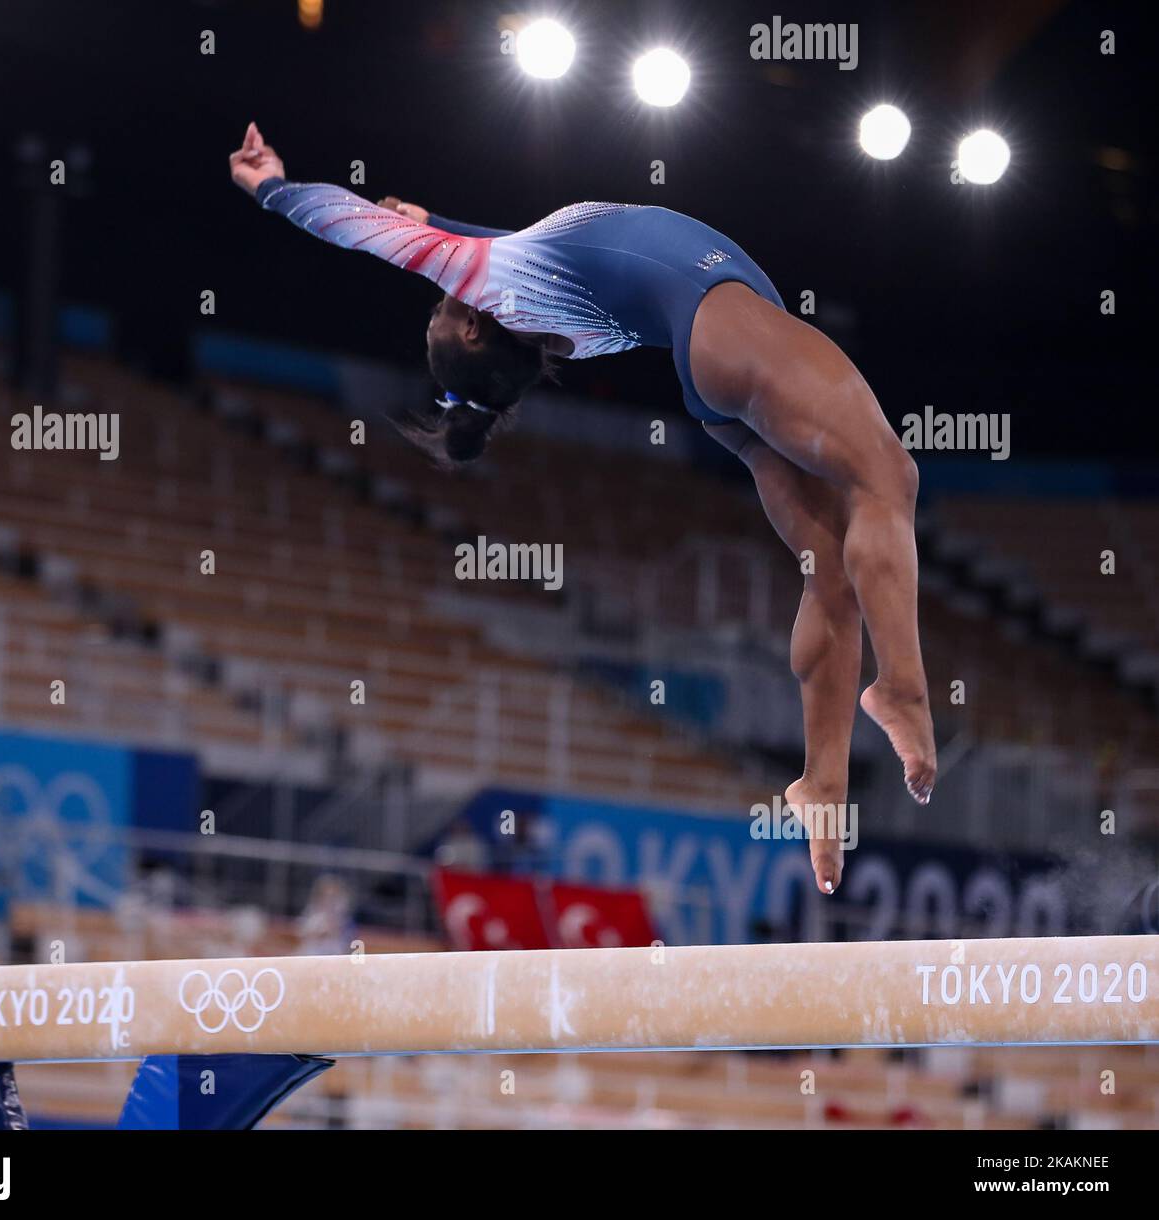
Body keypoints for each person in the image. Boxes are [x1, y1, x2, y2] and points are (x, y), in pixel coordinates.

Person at [230, 122, 935, 894]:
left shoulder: (553, 328)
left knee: (828, 565)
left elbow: (505, 239)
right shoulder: (490, 278)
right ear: (468, 319)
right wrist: (271, 187)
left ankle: (822, 786)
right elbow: (345, 224)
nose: (439, 292)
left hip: (715, 369)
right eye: (440, 305)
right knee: (887, 476)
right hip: (720, 319)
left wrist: (429, 222)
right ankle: (899, 685)